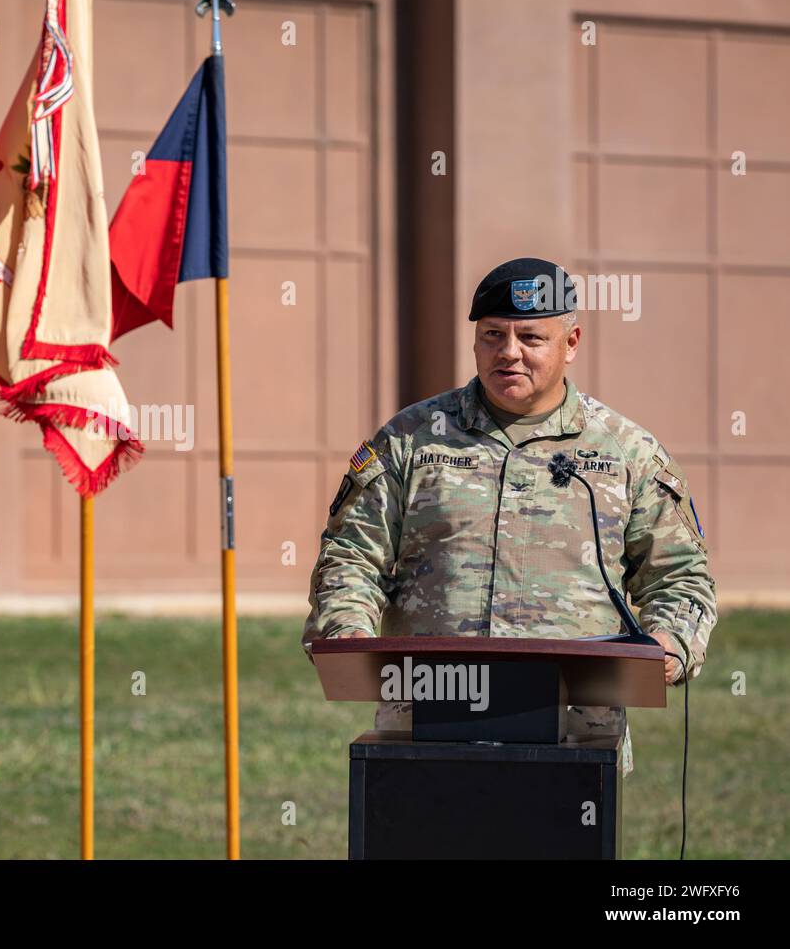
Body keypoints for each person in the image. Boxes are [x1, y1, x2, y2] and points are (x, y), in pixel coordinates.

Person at [302, 257, 717, 773]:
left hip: (576, 733)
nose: (509, 353)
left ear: (571, 343)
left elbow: (680, 575)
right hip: (425, 722)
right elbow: (351, 555)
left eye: (531, 338)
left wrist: (670, 642)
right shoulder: (412, 439)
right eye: (493, 335)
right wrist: (347, 630)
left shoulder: (625, 452)